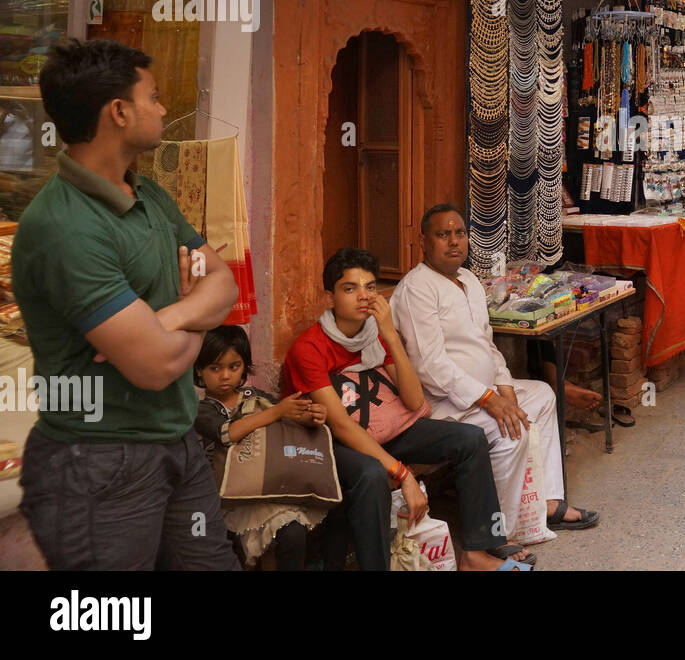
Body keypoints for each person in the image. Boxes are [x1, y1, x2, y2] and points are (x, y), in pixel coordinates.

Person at [15, 38, 241, 570]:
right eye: (154, 96)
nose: (163, 108)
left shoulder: (152, 196)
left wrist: (172, 315)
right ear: (118, 111)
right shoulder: (64, 225)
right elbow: (155, 367)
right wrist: (191, 315)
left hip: (175, 441)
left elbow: (223, 282)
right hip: (97, 460)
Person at [283, 248, 525, 571]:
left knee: (470, 440)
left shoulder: (375, 334)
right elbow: (339, 426)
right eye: (350, 289)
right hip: (330, 443)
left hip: (384, 430)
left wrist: (391, 338)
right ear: (330, 297)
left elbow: (413, 401)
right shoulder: (309, 348)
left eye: (370, 287)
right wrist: (402, 473)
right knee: (371, 475)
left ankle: (477, 551)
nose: (363, 297)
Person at [392, 204, 599, 561]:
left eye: (459, 233)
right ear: (423, 241)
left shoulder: (470, 280)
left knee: (542, 396)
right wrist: (490, 400)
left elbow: (486, 344)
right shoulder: (417, 289)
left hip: (483, 390)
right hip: (444, 402)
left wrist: (503, 386)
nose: (454, 242)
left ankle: (546, 503)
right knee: (506, 430)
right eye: (443, 234)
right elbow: (430, 365)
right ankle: (498, 532)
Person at [194, 325, 329, 569]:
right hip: (231, 498)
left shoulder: (253, 394)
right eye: (215, 368)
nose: (225, 376)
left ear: (244, 366)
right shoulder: (204, 409)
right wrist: (277, 411)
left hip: (270, 486)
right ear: (199, 371)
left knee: (294, 532)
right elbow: (228, 434)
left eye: (233, 367)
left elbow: (290, 417)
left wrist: (311, 415)